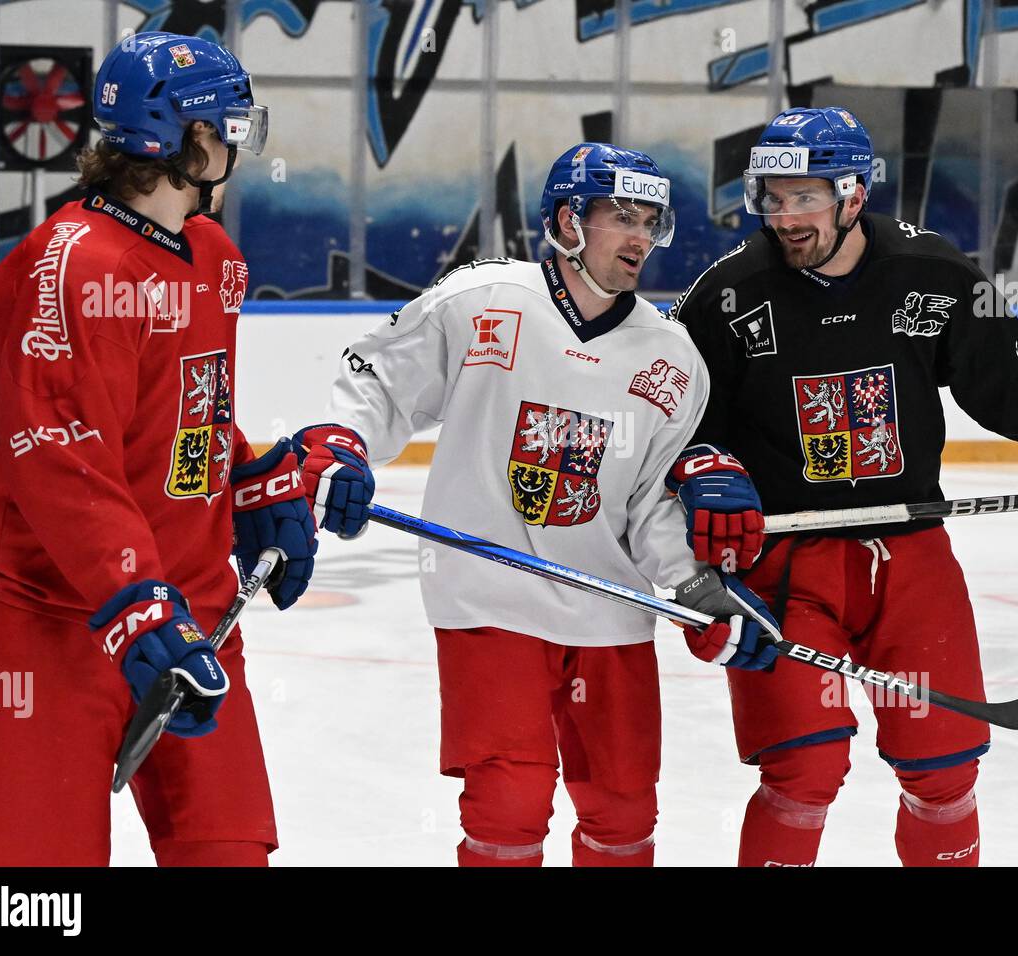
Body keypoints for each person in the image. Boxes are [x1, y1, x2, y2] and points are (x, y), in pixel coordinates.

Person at [668, 106, 1018, 867]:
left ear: (854, 195)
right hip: (784, 567)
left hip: (910, 559)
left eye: (806, 196)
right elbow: (674, 422)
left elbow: (1009, 382)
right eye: (773, 198)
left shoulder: (931, 273)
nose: (785, 216)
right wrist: (701, 468)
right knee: (803, 772)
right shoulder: (724, 299)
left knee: (944, 771)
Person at [0, 31, 364, 866]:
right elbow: (57, 454)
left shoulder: (213, 256)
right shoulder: (66, 268)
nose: (237, 145)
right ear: (181, 139)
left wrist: (256, 490)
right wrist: (135, 597)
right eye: (227, 127)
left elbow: (189, 419)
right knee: (36, 894)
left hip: (195, 619)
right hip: (56, 626)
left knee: (228, 850)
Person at [313, 143, 776, 866]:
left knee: (623, 816)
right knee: (508, 807)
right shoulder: (483, 300)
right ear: (567, 220)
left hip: (609, 608)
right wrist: (342, 443)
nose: (639, 238)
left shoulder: (672, 358)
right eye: (621, 216)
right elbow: (382, 380)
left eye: (651, 220)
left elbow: (653, 502)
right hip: (488, 599)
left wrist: (697, 587)